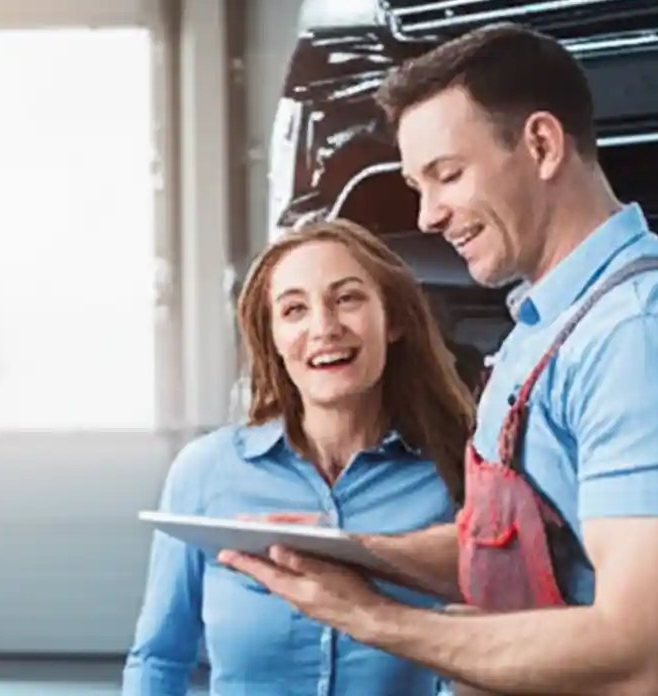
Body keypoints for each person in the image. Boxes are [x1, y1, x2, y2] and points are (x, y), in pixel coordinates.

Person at [219, 22, 658, 696]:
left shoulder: (647, 337)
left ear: (542, 145)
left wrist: (372, 618)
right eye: (417, 184)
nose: (427, 215)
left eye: (447, 175)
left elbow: (647, 652)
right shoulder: (545, 329)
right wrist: (352, 553)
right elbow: (513, 553)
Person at [123, 219, 477, 694]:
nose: (324, 328)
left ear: (393, 320)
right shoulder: (206, 472)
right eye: (294, 310)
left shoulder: (458, 473)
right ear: (271, 338)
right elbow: (159, 657)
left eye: (347, 298)